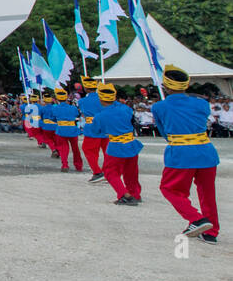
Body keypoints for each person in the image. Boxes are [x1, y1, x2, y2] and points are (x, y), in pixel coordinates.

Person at [151, 66, 219, 242]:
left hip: (181, 153)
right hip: (206, 151)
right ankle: (211, 233)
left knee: (169, 188)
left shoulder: (159, 107)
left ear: (166, 86)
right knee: (207, 192)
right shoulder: (202, 103)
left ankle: (196, 219)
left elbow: (164, 132)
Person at [94, 83, 142, 205]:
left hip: (116, 145)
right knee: (131, 172)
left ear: (100, 98)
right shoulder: (126, 109)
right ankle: (135, 194)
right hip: (131, 144)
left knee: (110, 172)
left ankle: (125, 195)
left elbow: (97, 131)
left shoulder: (100, 116)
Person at [78, 77, 107, 183]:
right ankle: (108, 171)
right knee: (107, 151)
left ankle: (97, 171)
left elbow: (83, 111)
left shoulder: (82, 101)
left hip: (92, 127)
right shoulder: (103, 98)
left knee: (89, 150)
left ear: (86, 88)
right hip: (105, 126)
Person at [50, 87, 84, 173]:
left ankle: (65, 164)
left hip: (61, 129)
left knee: (63, 149)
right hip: (72, 129)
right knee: (75, 149)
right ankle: (78, 166)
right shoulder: (73, 108)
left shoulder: (54, 108)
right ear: (66, 98)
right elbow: (78, 115)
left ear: (57, 98)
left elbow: (53, 118)